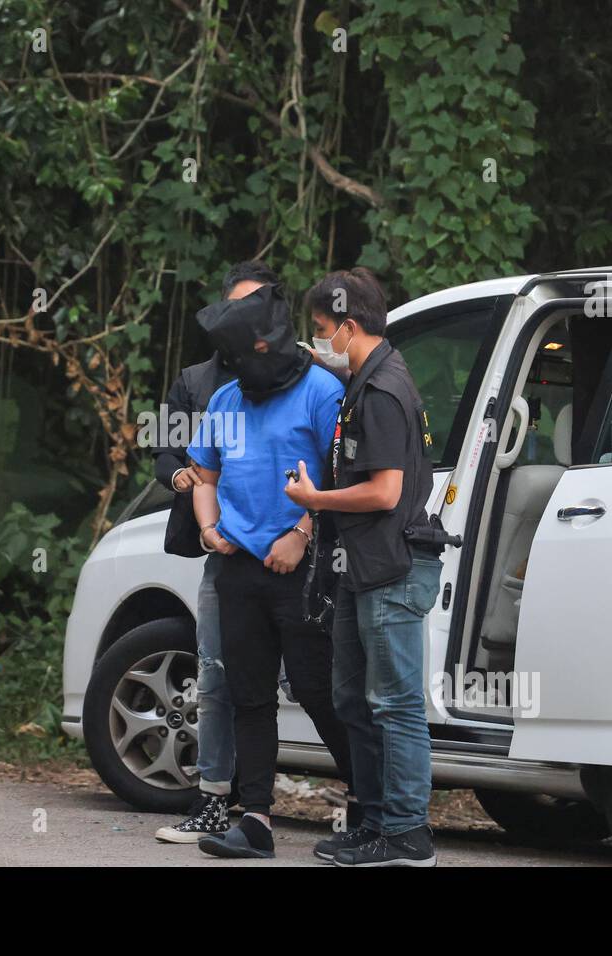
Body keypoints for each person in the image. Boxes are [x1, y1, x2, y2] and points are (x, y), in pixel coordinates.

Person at [187, 282, 353, 860]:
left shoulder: (322, 392)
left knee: (316, 687)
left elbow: (337, 480)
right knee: (247, 694)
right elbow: (205, 475)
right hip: (238, 568)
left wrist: (301, 533)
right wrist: (210, 530)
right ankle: (255, 819)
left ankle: (372, 803)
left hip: (301, 567)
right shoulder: (226, 400)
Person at [285, 267, 443, 867]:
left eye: (323, 331)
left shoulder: (381, 391)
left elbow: (383, 491)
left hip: (390, 570)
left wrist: (314, 502)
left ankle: (407, 832)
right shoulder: (365, 379)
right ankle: (373, 820)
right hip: (361, 570)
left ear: (349, 326)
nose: (319, 340)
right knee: (351, 696)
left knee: (396, 704)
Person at [151, 262, 279, 843]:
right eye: (237, 306)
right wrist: (186, 479)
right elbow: (164, 449)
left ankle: (362, 808)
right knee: (215, 672)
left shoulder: (302, 374)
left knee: (315, 680)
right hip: (222, 547)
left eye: (258, 305)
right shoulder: (200, 382)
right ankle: (214, 800)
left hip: (290, 552)